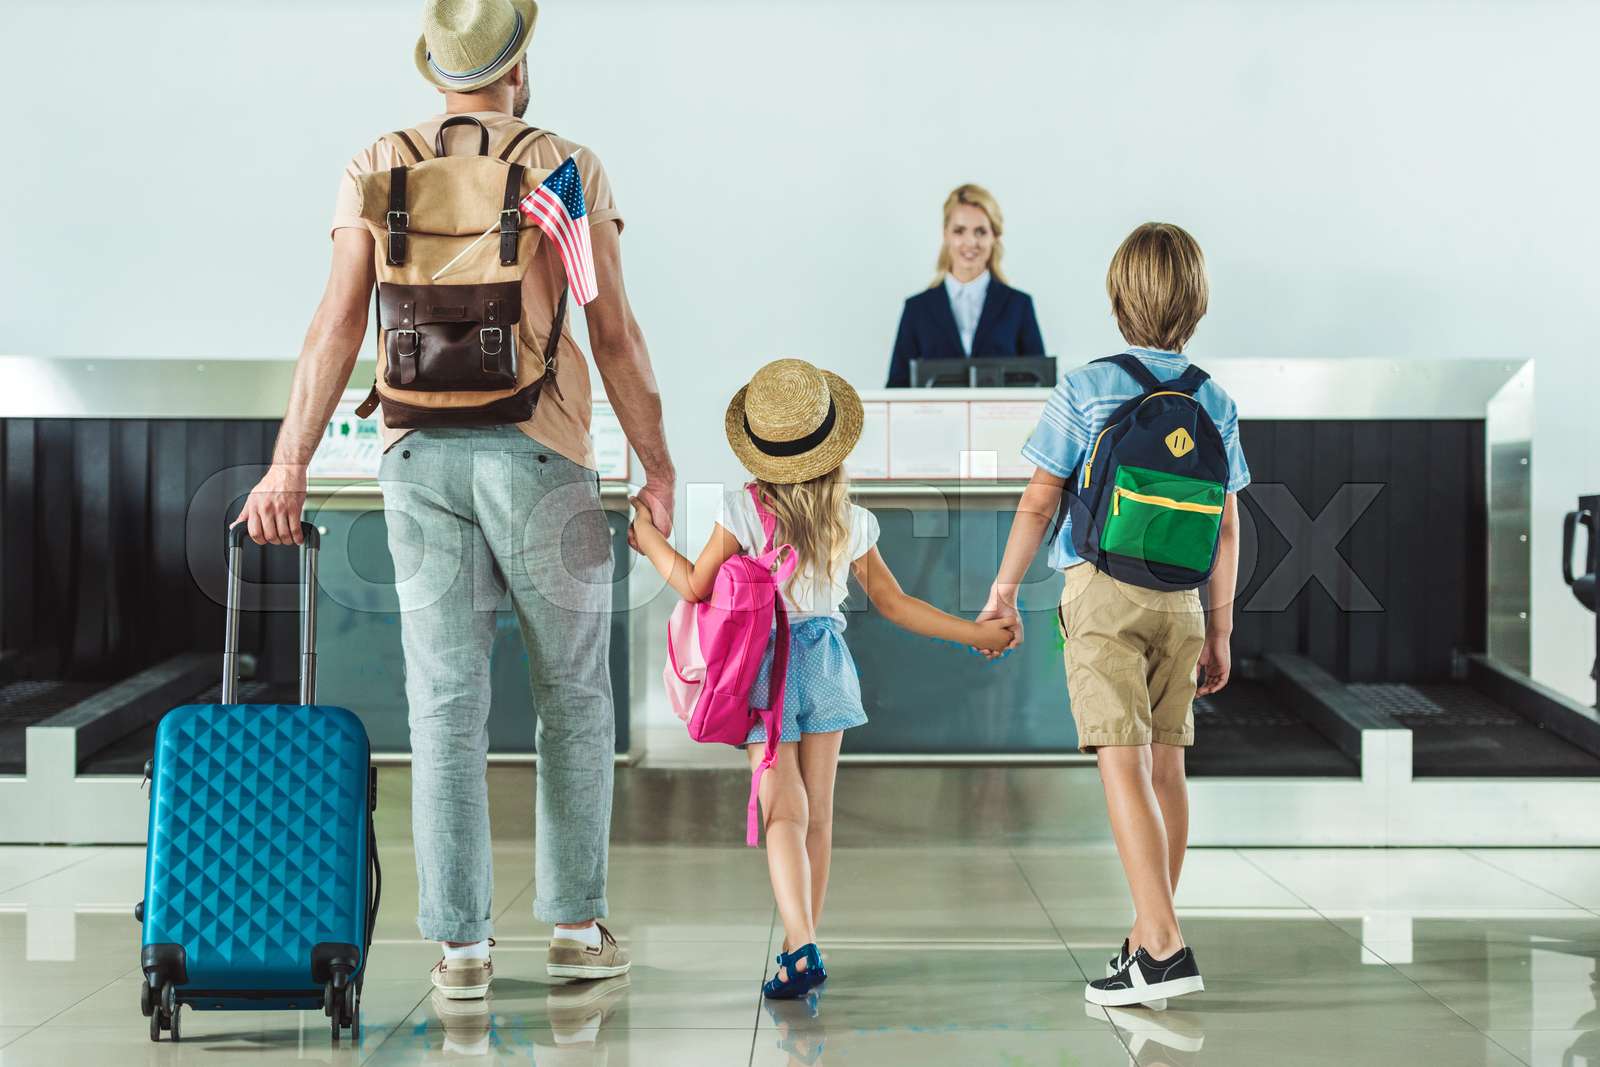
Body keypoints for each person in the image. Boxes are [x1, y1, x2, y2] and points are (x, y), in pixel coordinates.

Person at [232, 0, 676, 998]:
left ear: (438, 68)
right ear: (522, 66)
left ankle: (462, 950)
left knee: (442, 704)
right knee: (573, 697)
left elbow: (334, 325)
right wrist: (657, 460)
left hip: (416, 456)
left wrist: (288, 462)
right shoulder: (566, 163)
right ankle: (573, 926)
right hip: (542, 451)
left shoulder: (377, 162)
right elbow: (616, 335)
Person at [628, 358, 1017, 999]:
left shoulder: (743, 509)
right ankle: (798, 945)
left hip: (766, 669)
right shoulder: (851, 519)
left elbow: (697, 585)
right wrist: (976, 634)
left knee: (783, 810)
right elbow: (896, 606)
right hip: (829, 663)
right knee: (820, 816)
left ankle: (801, 944)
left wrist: (646, 538)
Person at [977, 223, 1249, 1008]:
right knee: (1167, 765)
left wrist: (1002, 588)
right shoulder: (1215, 398)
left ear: (1119, 298)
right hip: (1183, 601)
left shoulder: (1088, 387)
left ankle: (1163, 946)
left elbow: (1039, 499)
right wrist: (1222, 626)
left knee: (1120, 761)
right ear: (1195, 303)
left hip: (1102, 591)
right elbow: (1227, 524)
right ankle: (1141, 938)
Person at [885, 183, 1047, 387]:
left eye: (980, 231)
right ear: (946, 235)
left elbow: (1041, 385)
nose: (970, 242)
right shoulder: (917, 309)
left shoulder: (1019, 305)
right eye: (959, 231)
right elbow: (897, 387)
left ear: (994, 237)